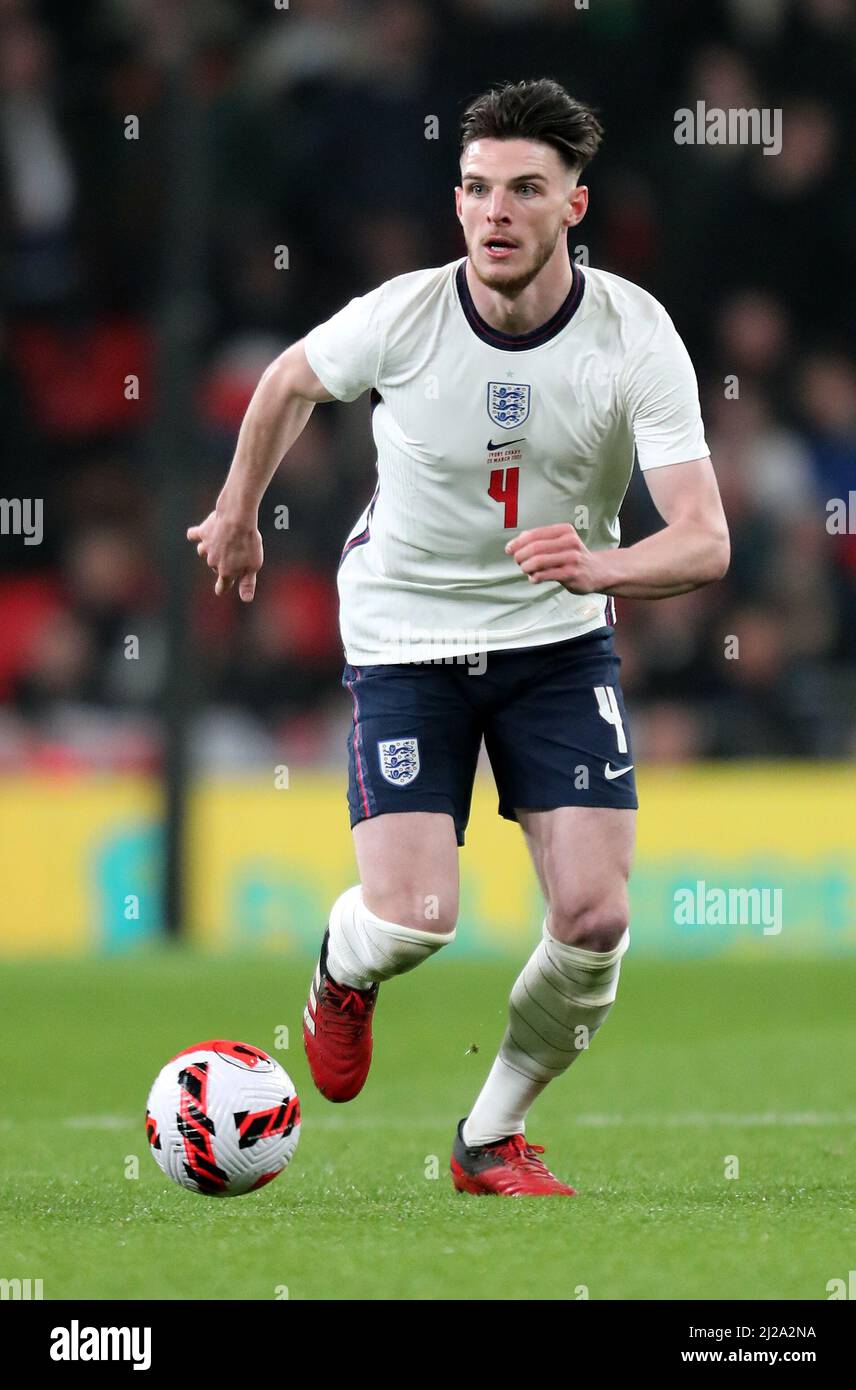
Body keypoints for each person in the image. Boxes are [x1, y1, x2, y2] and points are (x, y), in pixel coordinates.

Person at [187, 79, 730, 1197]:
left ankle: (489, 1137)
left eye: (525, 190)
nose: (496, 212)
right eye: (477, 188)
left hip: (555, 638)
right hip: (404, 633)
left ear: (573, 206)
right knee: (413, 919)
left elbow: (703, 541)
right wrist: (238, 509)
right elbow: (288, 379)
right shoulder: (404, 314)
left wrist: (602, 567)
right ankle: (343, 971)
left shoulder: (634, 335)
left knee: (594, 917)